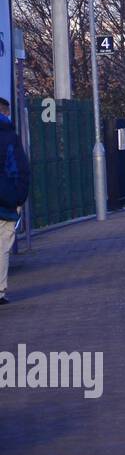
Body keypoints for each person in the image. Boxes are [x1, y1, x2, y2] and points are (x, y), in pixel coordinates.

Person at [0, 97, 30, 305]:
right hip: (4, 201)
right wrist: (18, 198)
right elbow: (17, 168)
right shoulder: (8, 135)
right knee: (1, 247)